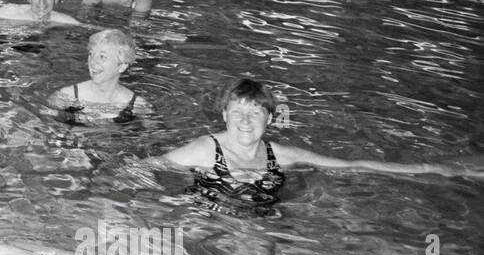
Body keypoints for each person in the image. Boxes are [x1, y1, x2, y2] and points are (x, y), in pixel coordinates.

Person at [147, 78, 483, 217]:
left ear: (270, 118)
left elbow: (351, 166)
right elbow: (145, 167)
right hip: (206, 221)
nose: (245, 121)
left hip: (263, 221)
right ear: (224, 115)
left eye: (255, 112)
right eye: (237, 111)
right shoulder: (205, 150)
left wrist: (431, 169)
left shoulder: (284, 156)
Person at [50, 29, 150, 124]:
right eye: (91, 54)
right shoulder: (66, 96)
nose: (93, 62)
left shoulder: (137, 105)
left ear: (122, 66)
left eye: (102, 57)